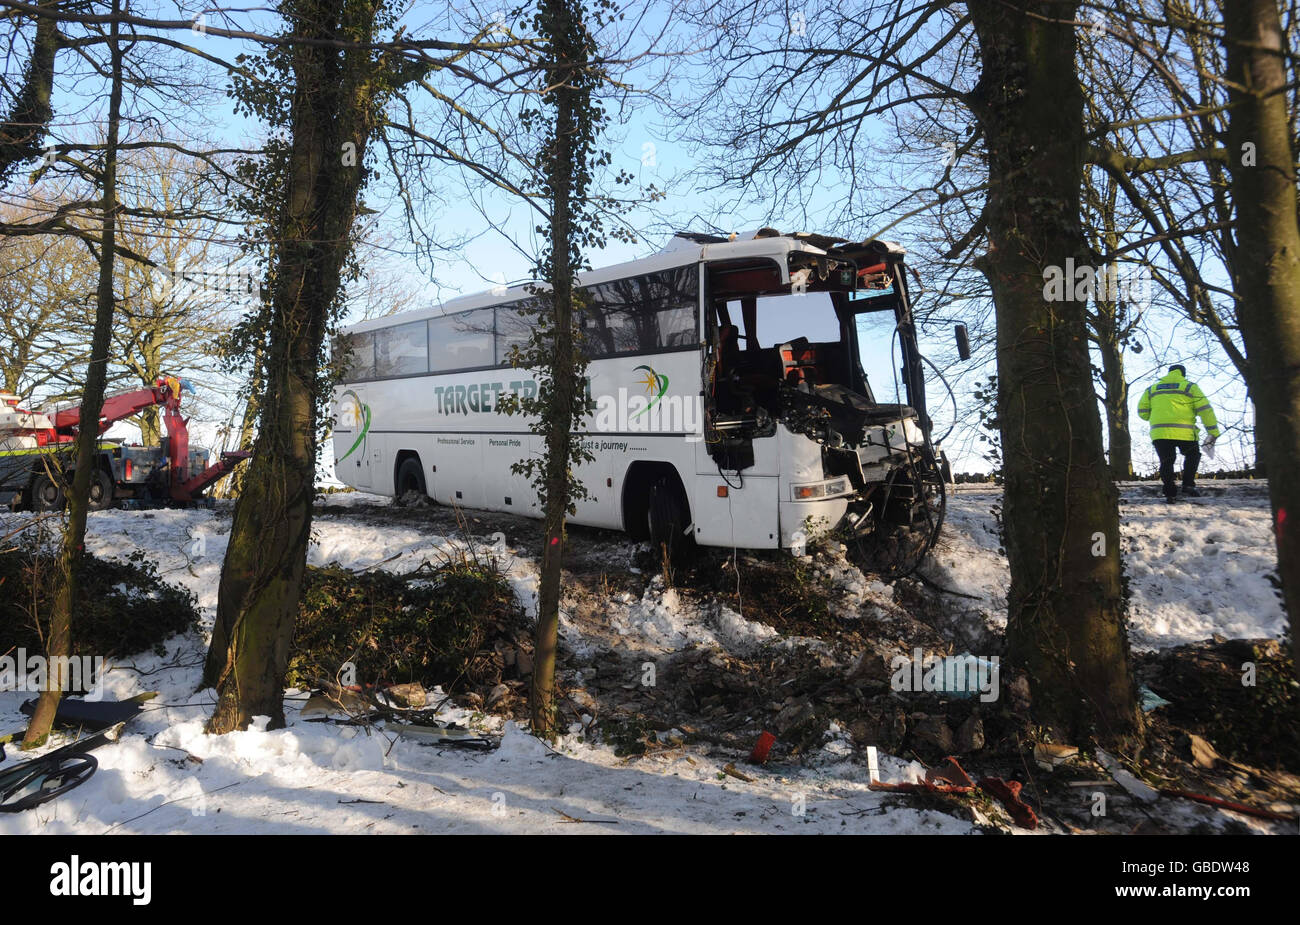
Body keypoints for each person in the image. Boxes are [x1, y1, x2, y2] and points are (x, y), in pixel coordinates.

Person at [1137, 364, 1221, 502]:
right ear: (1183, 374)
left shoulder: (1152, 389)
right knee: (1192, 455)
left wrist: (1155, 416)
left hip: (1160, 432)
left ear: (1168, 373)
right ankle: (1188, 485)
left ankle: (1169, 491)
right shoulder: (1190, 387)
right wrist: (1213, 432)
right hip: (1185, 432)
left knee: (1166, 460)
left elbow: (1142, 412)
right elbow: (1205, 410)